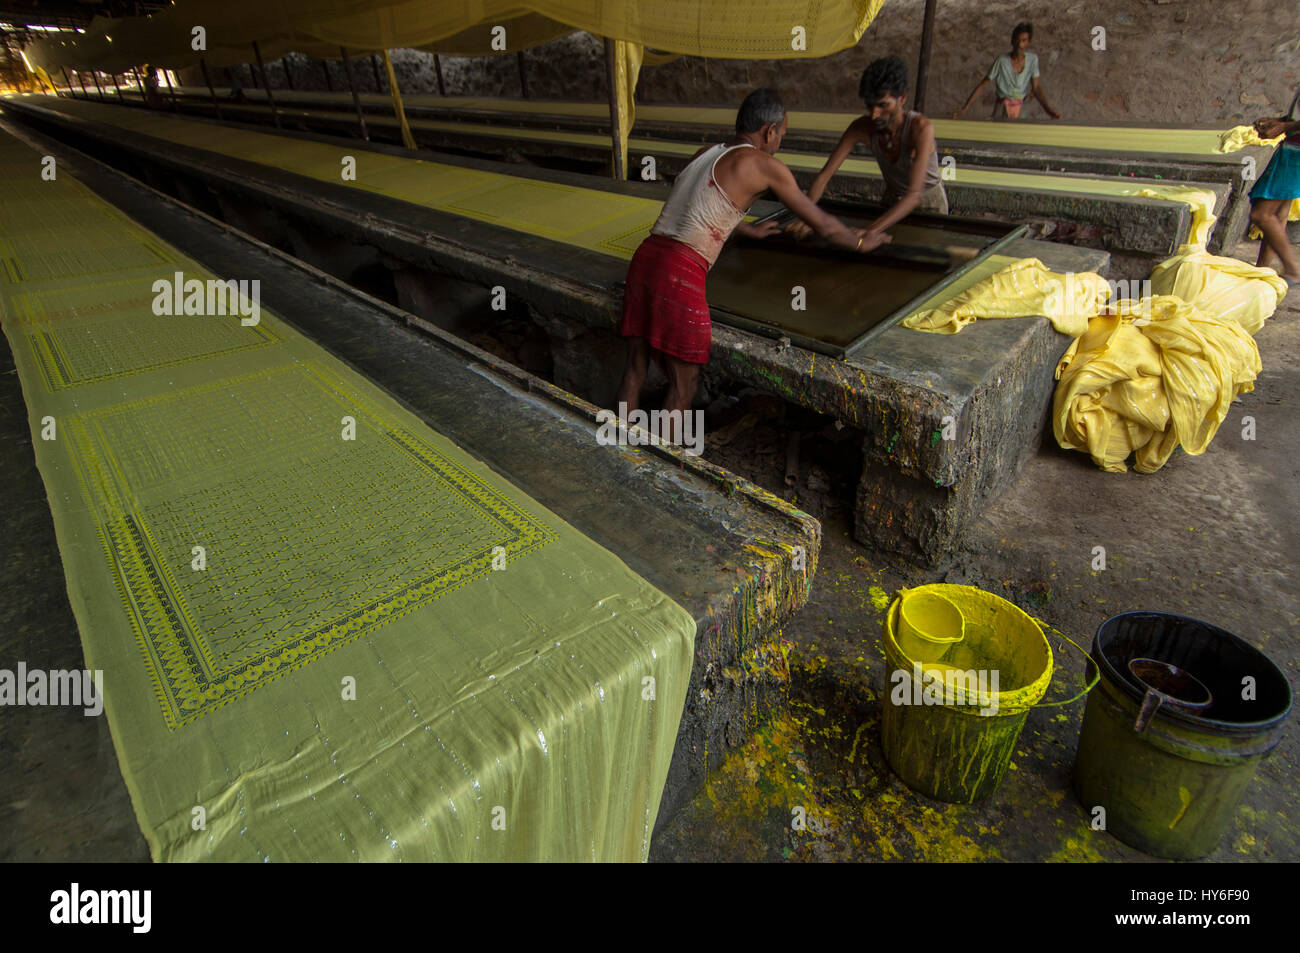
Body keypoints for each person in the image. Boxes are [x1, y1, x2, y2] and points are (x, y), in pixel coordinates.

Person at [615, 88, 889, 438]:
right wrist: (863, 241)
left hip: (645, 259)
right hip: (679, 272)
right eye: (782, 135)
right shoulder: (765, 165)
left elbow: (696, 212)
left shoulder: (705, 153)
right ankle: (658, 466)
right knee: (684, 385)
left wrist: (744, 231)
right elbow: (821, 222)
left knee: (635, 369)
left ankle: (618, 446)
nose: (780, 142)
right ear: (770, 130)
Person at [791, 56, 947, 243]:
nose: (874, 115)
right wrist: (806, 218)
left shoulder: (921, 128)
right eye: (869, 106)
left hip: (929, 203)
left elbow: (914, 195)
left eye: (883, 105)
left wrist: (869, 230)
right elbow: (824, 176)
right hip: (892, 200)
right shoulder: (861, 128)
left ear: (902, 98)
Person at [953, 22, 1061, 120]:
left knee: (1019, 138)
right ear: (1012, 41)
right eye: (1017, 40)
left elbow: (1036, 88)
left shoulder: (1032, 60)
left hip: (1020, 107)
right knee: (999, 138)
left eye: (1024, 41)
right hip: (1002, 106)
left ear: (1029, 42)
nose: (1020, 44)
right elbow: (983, 84)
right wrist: (965, 107)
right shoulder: (1002, 61)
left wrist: (1048, 110)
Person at [1249, 86, 1300, 284]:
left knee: (1261, 214)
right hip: (1294, 147)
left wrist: (1284, 128)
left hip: (1296, 153)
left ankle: (1293, 269)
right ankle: (1261, 269)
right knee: (1279, 214)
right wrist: (1281, 121)